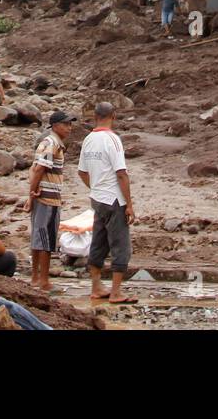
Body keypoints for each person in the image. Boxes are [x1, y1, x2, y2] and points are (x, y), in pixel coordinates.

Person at [78, 101, 137, 304]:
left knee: (99, 242)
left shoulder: (88, 139)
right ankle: (116, 292)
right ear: (113, 115)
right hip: (113, 199)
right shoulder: (113, 140)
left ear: (95, 116)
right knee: (121, 246)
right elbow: (121, 174)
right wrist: (129, 204)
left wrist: (95, 187)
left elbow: (82, 172)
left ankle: (96, 287)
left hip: (97, 199)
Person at [23, 111, 76, 291]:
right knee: (45, 239)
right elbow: (39, 169)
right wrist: (32, 192)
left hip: (42, 195)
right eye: (66, 124)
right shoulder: (52, 144)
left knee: (38, 237)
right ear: (55, 126)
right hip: (48, 198)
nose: (69, 128)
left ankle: (36, 278)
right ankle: (43, 281)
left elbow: (34, 169)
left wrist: (31, 194)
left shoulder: (48, 143)